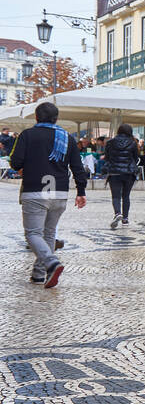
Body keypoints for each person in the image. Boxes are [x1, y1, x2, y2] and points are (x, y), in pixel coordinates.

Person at [10, 101, 87, 287]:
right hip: (59, 192)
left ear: (36, 117)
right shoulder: (67, 138)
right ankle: (38, 274)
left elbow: (15, 162)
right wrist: (81, 191)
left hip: (35, 191)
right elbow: (77, 166)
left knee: (33, 234)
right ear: (56, 119)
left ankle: (51, 262)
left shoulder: (27, 135)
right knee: (49, 234)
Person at [103, 122, 140, 229]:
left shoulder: (110, 142)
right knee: (126, 196)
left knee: (115, 196)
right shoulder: (132, 143)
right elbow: (136, 158)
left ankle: (117, 213)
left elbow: (107, 157)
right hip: (129, 172)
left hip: (114, 172)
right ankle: (125, 219)